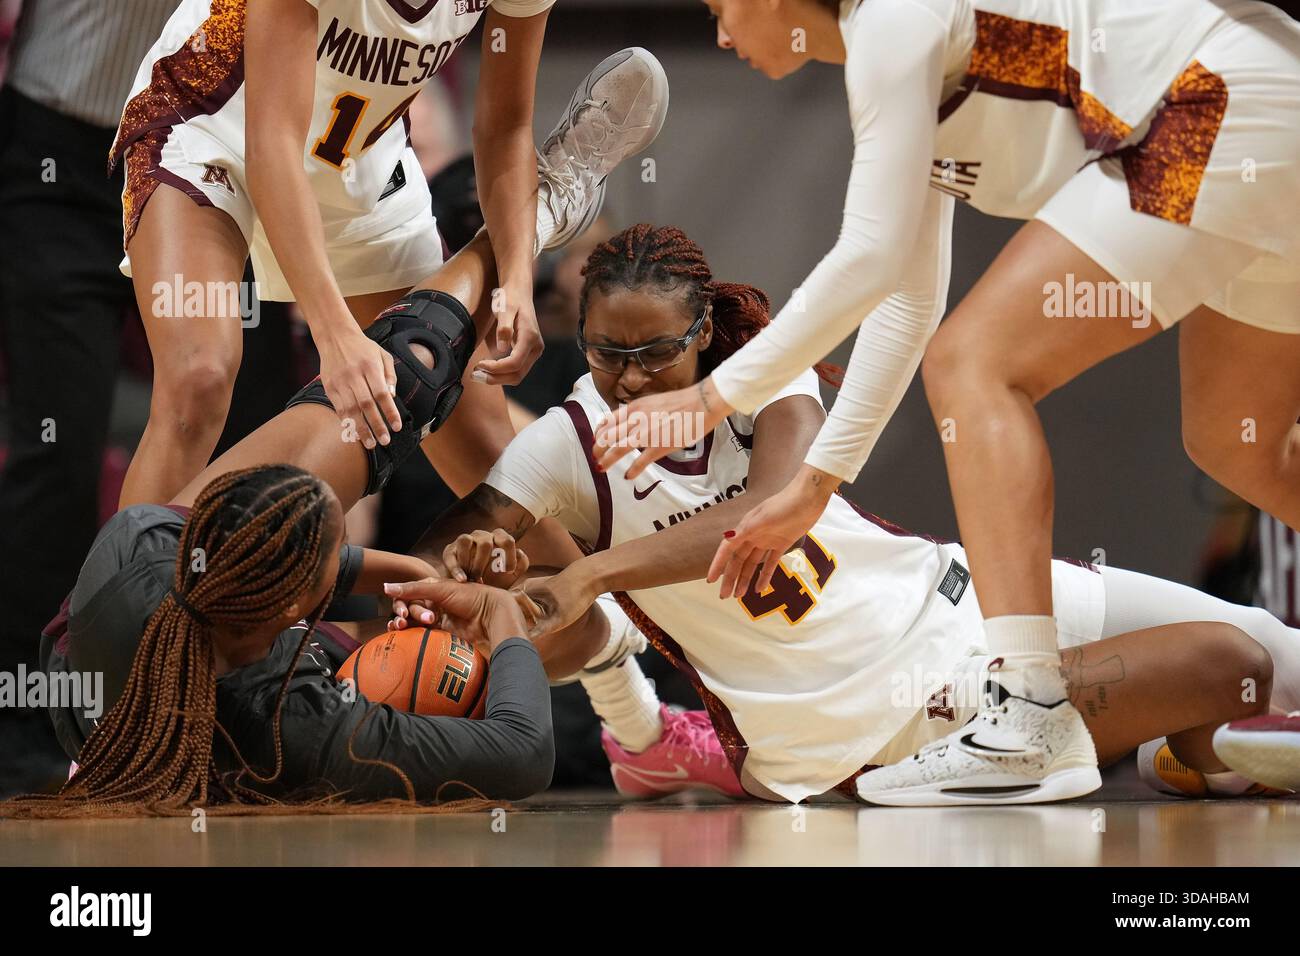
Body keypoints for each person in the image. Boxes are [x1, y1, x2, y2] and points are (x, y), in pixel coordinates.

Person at [588, 0, 1300, 804]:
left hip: (1221, 103)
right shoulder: (891, 54)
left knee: (976, 363)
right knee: (1240, 444)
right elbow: (904, 299)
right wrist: (815, 487)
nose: (720, 35)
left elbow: (868, 257)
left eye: (724, 8)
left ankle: (1029, 710)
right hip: (1265, 114)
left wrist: (713, 397)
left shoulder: (891, 21)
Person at [386, 223, 1300, 805]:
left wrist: (589, 573)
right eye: (606, 352)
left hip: (959, 597)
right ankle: (1172, 744)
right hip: (872, 717)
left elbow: (773, 507)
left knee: (1275, 649)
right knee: (1232, 665)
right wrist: (467, 561)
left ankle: (1181, 755)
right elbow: (439, 551)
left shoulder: (767, 378)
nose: (628, 376)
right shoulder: (568, 443)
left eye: (655, 353)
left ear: (703, 334)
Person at [112, 0, 666, 508]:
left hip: (358, 154)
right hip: (212, 124)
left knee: (478, 438)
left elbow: (504, 125)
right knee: (199, 379)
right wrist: (336, 336)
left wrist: (516, 279)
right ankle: (114, 609)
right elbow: (272, 143)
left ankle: (607, 611)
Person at [0, 0, 181, 798]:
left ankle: (214, 709)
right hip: (55, 155)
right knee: (59, 451)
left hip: (199, 160)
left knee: (250, 435)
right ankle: (28, 724)